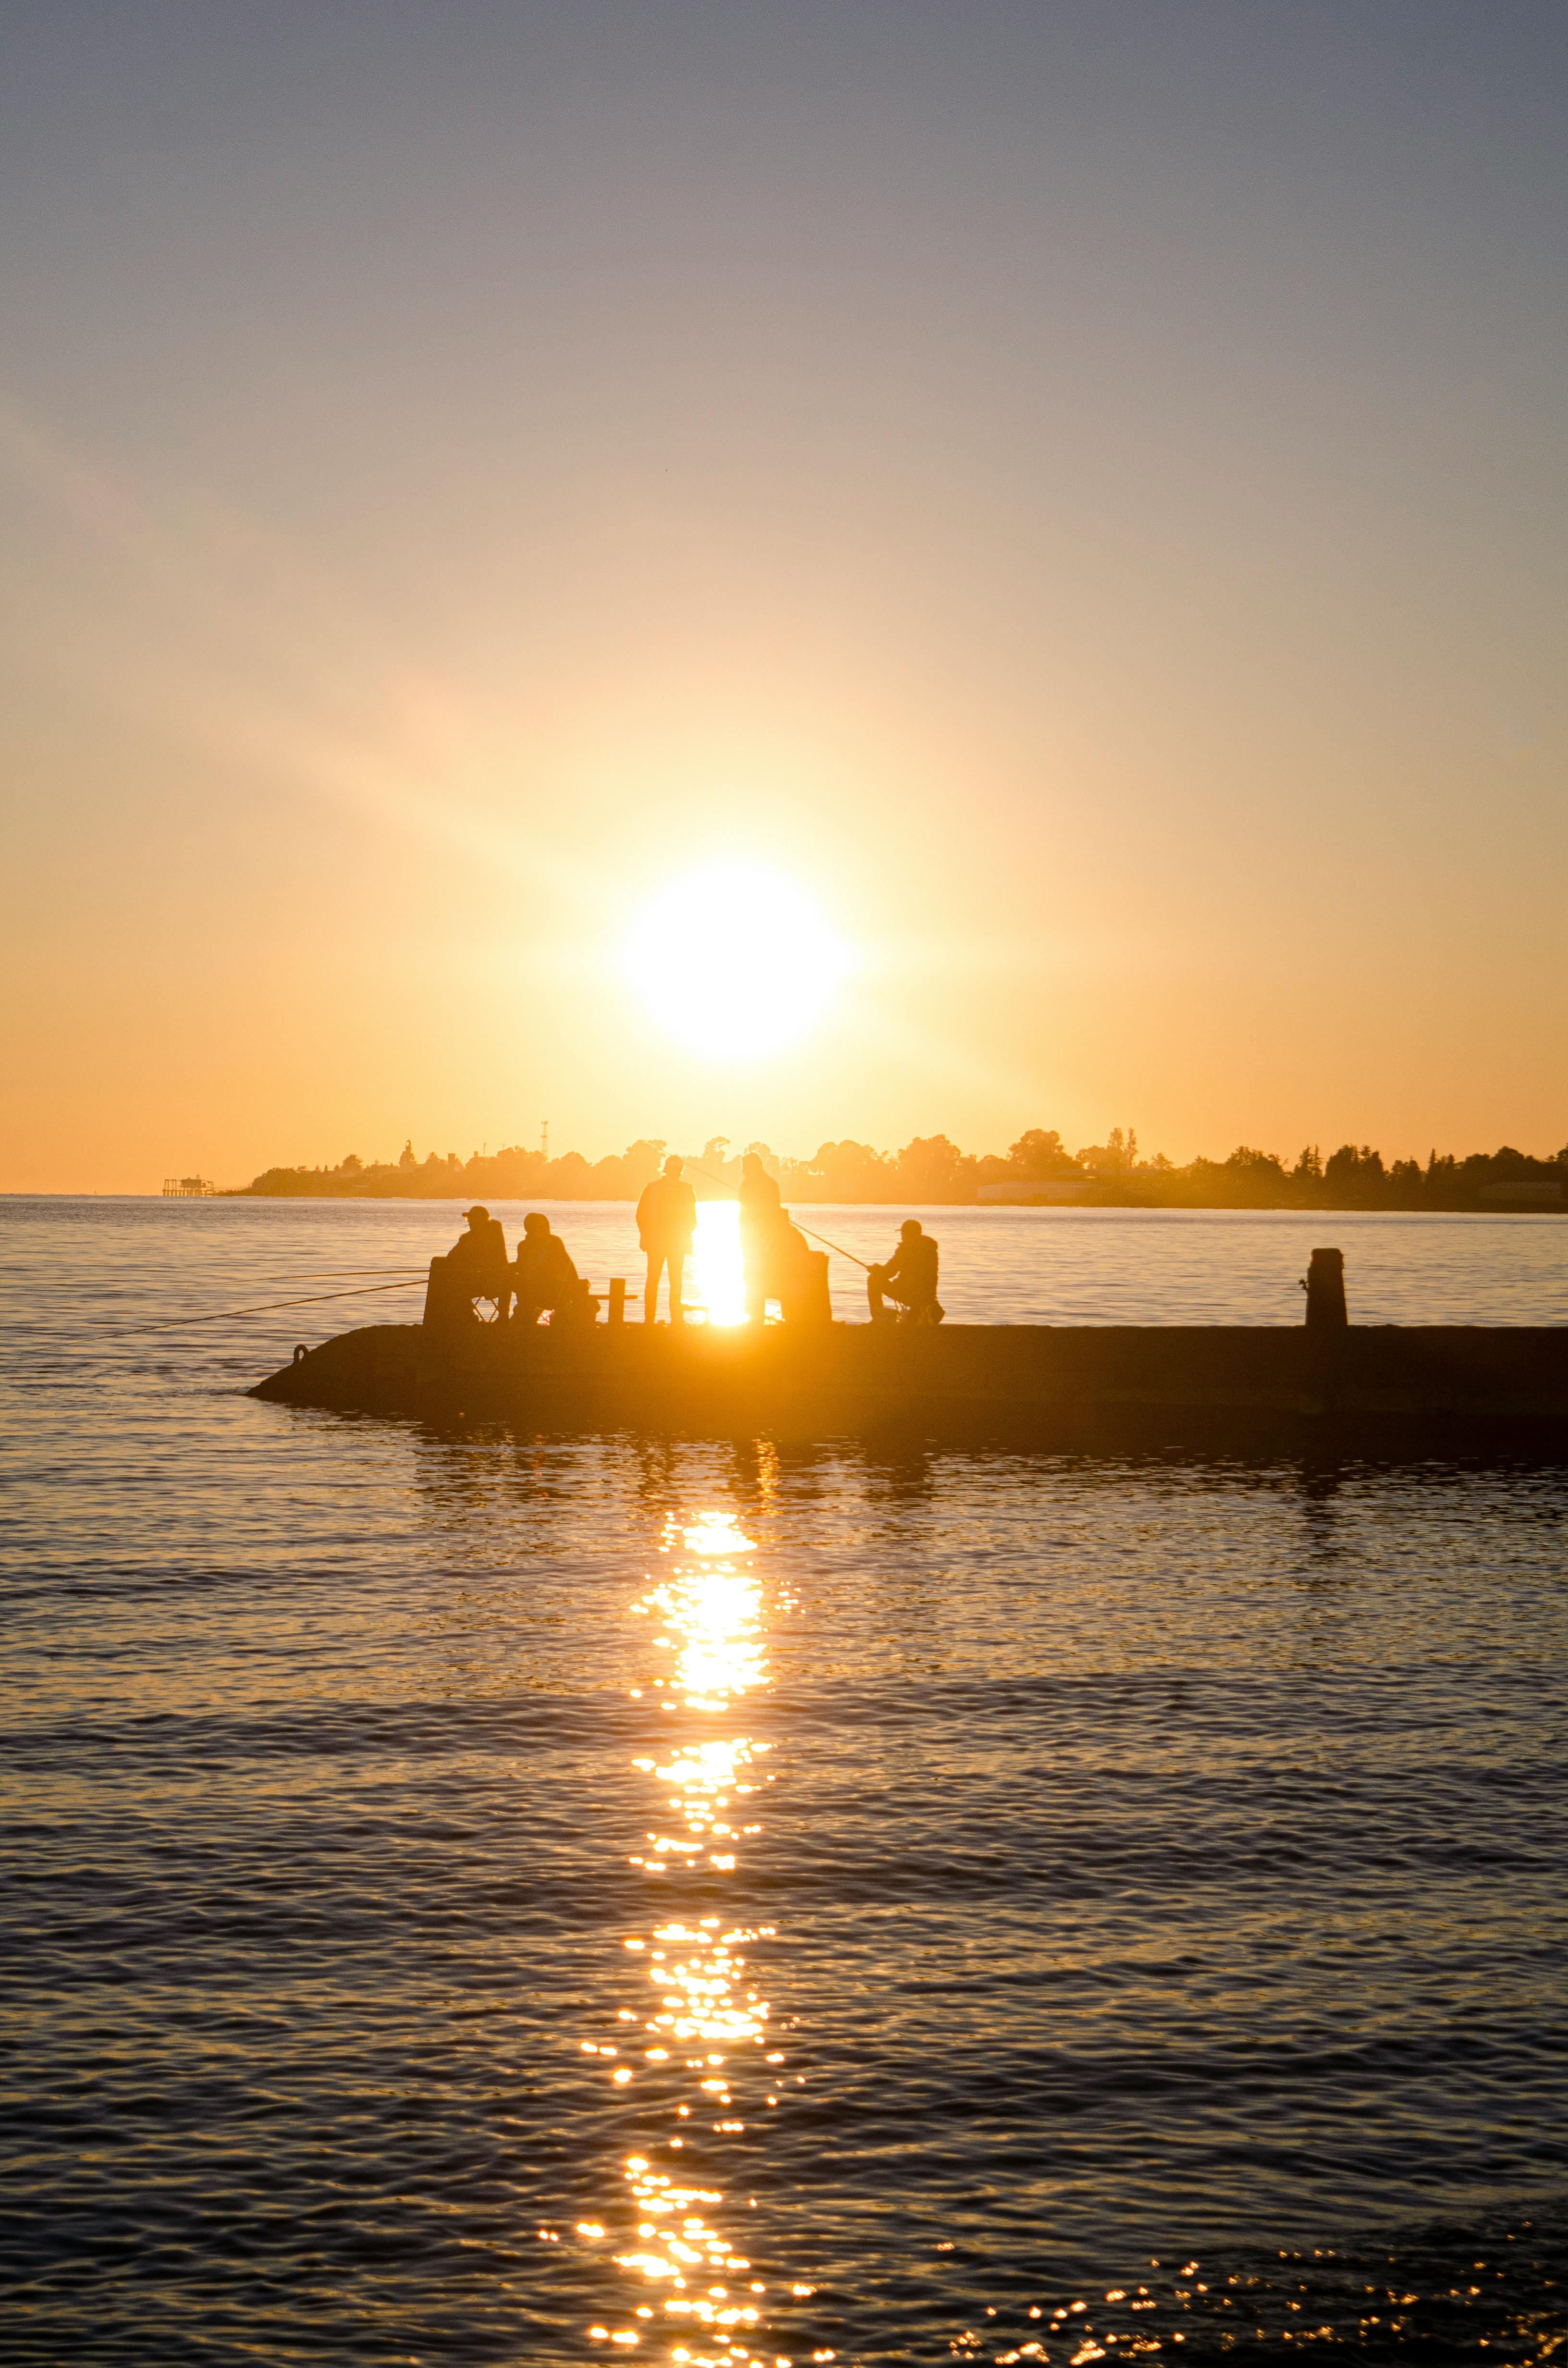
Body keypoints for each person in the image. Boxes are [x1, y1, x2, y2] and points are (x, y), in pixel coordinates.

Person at [636, 1154, 697, 1326]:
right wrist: (646, 1236)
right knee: (666, 1280)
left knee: (666, 1281)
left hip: (669, 1243)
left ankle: (665, 1319)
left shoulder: (655, 1188)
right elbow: (641, 1216)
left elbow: (692, 1220)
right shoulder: (656, 1188)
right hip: (663, 1243)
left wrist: (646, 1236)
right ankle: (659, 1320)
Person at [512, 1211, 595, 1327]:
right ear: (529, 1228)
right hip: (533, 1286)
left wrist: (575, 1281)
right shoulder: (523, 1246)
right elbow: (522, 1268)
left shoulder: (554, 1242)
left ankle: (565, 1318)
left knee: (570, 1293)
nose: (542, 1230)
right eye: (538, 1227)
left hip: (555, 1283)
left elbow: (567, 1264)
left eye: (544, 1227)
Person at [868, 1219, 943, 1325]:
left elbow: (889, 1272)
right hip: (926, 1298)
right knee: (910, 1324)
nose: (901, 1236)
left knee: (873, 1279)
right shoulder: (930, 1250)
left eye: (903, 1233)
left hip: (907, 1294)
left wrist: (875, 1269)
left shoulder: (906, 1250)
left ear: (910, 1234)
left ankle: (877, 1317)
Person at [737, 1152, 783, 1324]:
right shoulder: (764, 1183)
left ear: (753, 1166)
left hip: (762, 1239)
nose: (743, 1170)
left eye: (744, 1167)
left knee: (757, 1275)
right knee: (752, 1274)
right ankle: (755, 1314)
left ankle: (756, 1315)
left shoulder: (763, 1184)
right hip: (751, 1237)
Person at [448, 1204, 511, 1320]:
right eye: (469, 1219)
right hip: (479, 1279)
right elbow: (452, 1257)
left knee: (507, 1281)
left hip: (494, 1280)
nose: (469, 1222)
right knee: (453, 1289)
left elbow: (454, 1256)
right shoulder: (467, 1238)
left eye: (472, 1219)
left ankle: (503, 1318)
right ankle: (471, 1318)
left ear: (481, 1220)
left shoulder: (494, 1230)